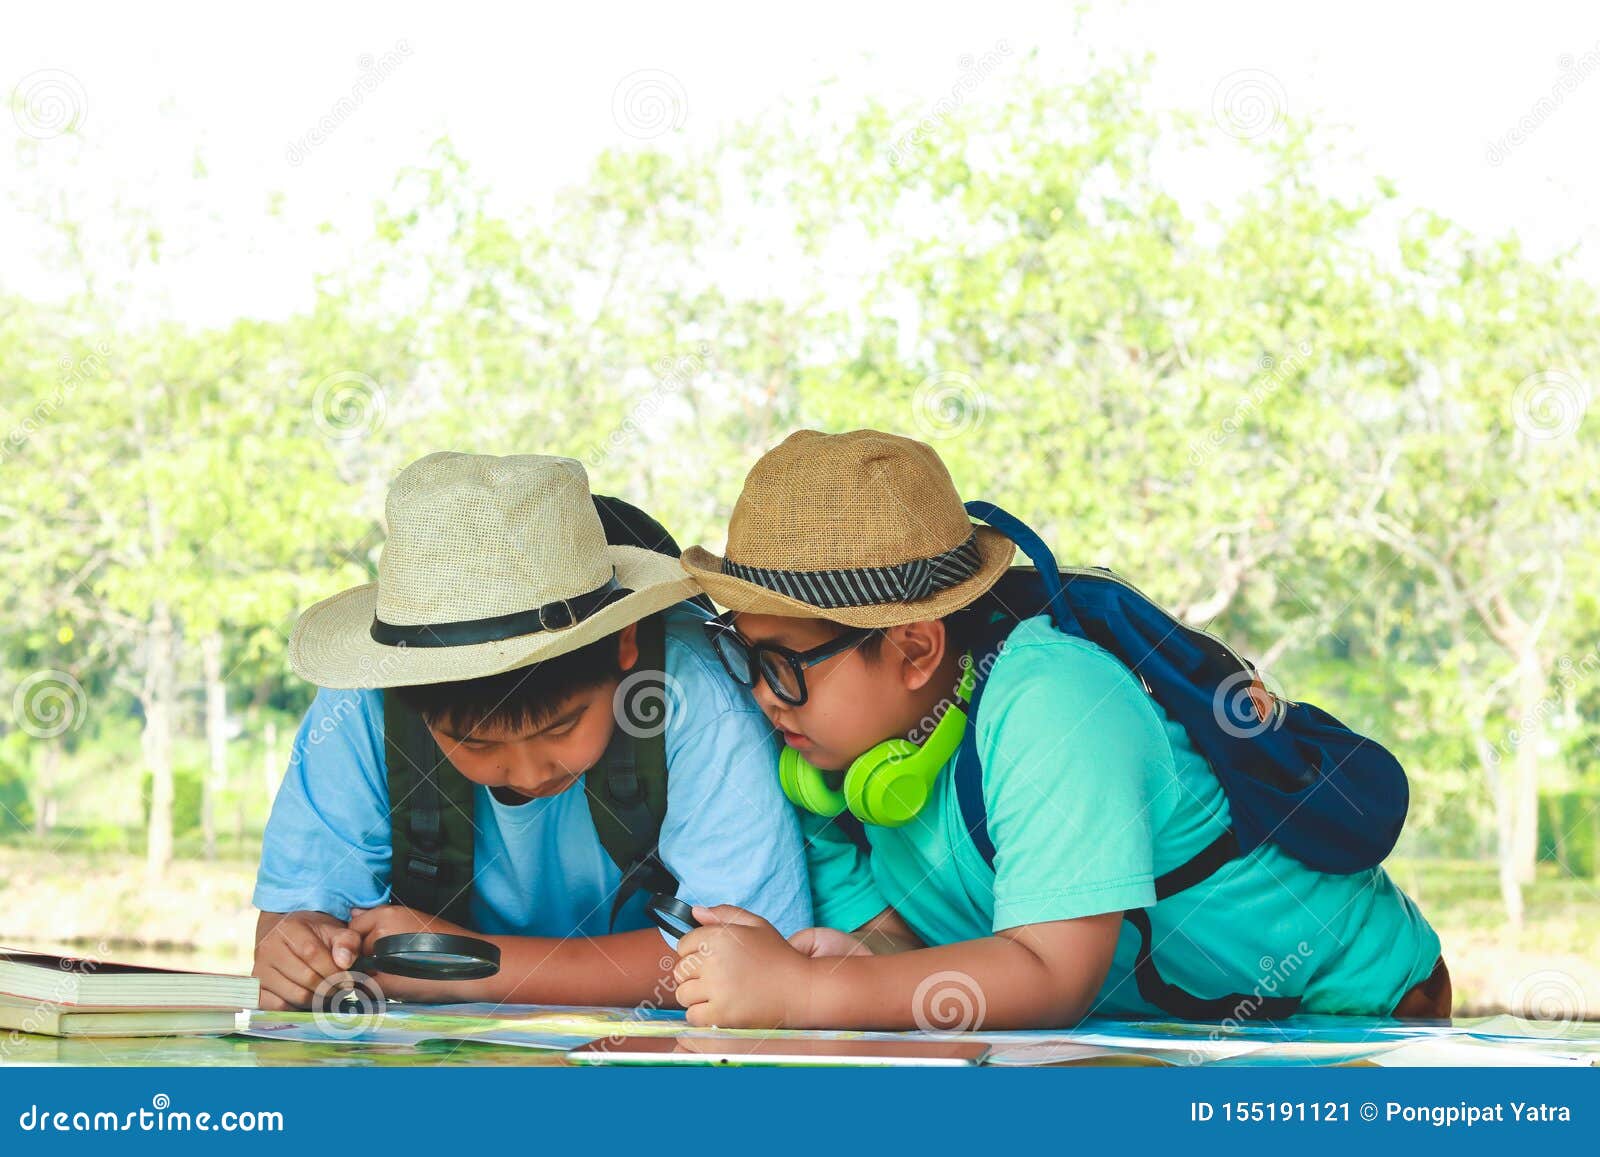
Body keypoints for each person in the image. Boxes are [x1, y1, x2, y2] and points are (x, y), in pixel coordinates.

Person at [668, 428, 1447, 1030]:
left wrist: (806, 991)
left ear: (914, 648)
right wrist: (857, 961)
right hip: (1174, 1034)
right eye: (745, 655)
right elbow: (909, 945)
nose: (762, 696)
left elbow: (1051, 974)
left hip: (1354, 1012)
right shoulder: (825, 763)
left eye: (784, 663)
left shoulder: (1053, 702)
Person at [251, 451, 810, 1010]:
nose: (528, 773)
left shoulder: (697, 695)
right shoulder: (362, 703)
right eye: (475, 742)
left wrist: (470, 968)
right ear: (407, 698)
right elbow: (292, 921)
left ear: (625, 644)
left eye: (562, 726)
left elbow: (748, 957)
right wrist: (301, 953)